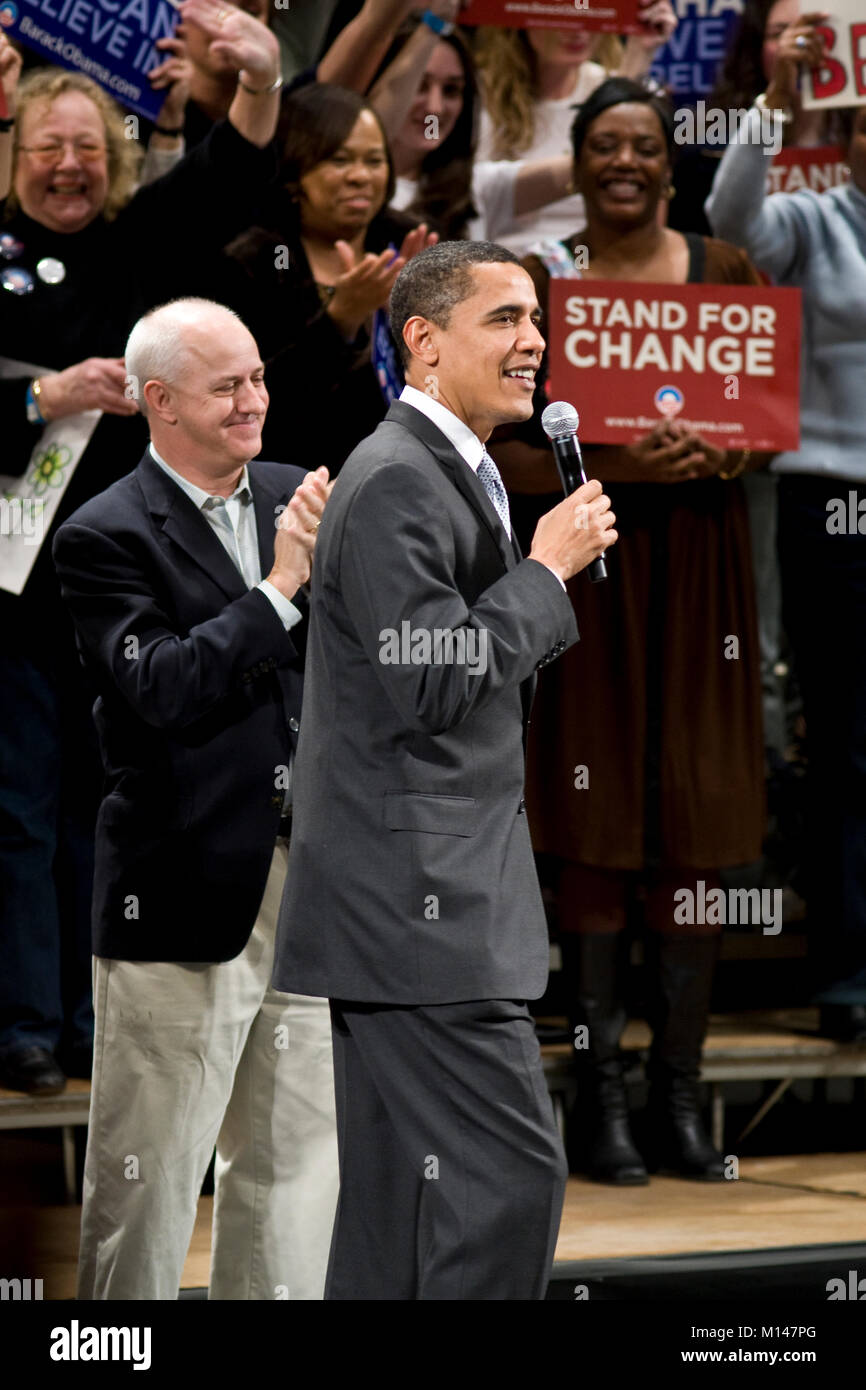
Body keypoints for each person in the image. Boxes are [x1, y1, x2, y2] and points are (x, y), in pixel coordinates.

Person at [271, 240, 618, 1300]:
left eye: (537, 319)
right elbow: (431, 676)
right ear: (422, 340)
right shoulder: (395, 479)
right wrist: (545, 570)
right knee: (506, 1182)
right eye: (505, 318)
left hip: (414, 906)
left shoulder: (447, 469)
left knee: (397, 1214)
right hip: (417, 911)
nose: (534, 341)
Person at [0, 0, 283, 1097]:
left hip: (135, 587)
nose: (70, 164)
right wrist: (41, 400)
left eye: (88, 145)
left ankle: (90, 1018)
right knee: (20, 810)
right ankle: (26, 1024)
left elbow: (228, 175)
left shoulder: (138, 246)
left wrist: (258, 79)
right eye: (47, 146)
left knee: (111, 805)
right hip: (17, 590)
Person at [491, 78, 766, 1184]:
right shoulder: (541, 283)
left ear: (668, 162)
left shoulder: (724, 270)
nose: (623, 162)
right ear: (578, 161)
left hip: (702, 574)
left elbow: (768, 418)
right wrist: (613, 466)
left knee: (696, 815)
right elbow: (501, 451)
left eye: (643, 146)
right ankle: (600, 1101)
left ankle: (680, 1100)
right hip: (592, 572)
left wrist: (729, 451)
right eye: (602, 144)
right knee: (595, 820)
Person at [52, 299, 339, 1300]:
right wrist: (280, 588)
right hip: (178, 888)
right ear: (159, 402)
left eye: (258, 377)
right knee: (149, 1180)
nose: (254, 399)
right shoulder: (103, 533)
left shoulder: (297, 492)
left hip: (312, 883)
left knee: (295, 1171)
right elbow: (163, 686)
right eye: (227, 386)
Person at [706, 25, 866, 1043]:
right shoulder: (812, 221)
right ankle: (846, 971)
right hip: (830, 505)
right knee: (844, 742)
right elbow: (727, 221)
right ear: (847, 140)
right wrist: (774, 102)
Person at [217, 82, 435, 474]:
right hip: (296, 478)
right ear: (295, 169)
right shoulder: (255, 261)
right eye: (339, 160)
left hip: (411, 472)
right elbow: (255, 403)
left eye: (374, 160)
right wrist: (340, 321)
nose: (360, 176)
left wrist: (427, 316)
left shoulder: (408, 241)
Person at [472, 4, 677, 256]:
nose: (578, 30)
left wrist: (640, 51)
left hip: (598, 266)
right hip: (497, 265)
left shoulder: (628, 86)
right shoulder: (467, 93)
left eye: (589, 8)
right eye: (562, 9)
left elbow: (648, 225)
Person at [367, 10, 576, 242]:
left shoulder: (477, 189)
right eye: (419, 86)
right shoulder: (356, 184)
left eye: (451, 90)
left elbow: (589, 165)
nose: (435, 108)